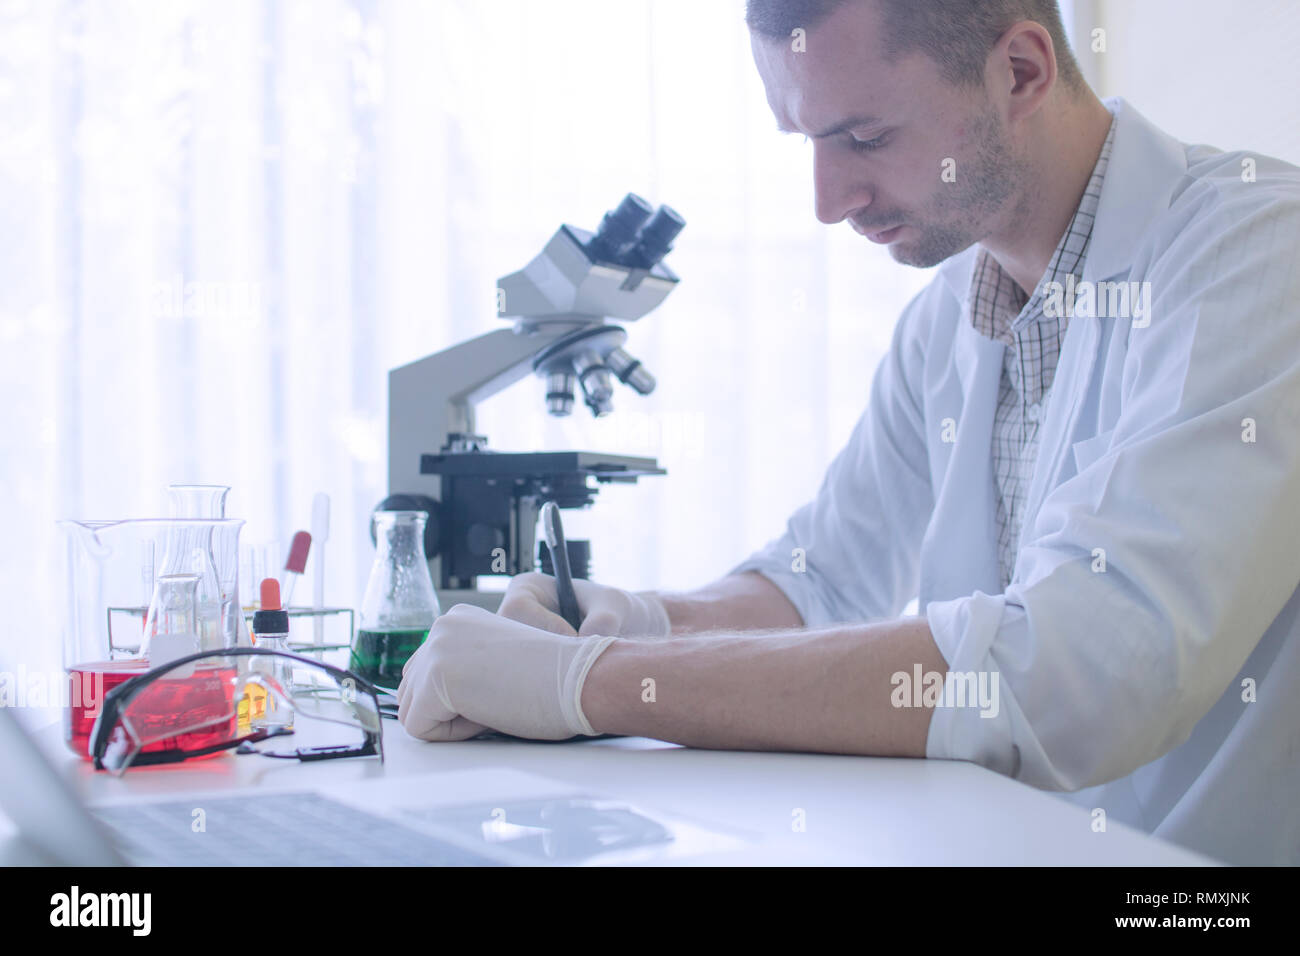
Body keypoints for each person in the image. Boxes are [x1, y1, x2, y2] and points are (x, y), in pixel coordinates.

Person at [396, 0, 1300, 866]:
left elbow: (1084, 671)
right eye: (808, 140)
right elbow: (823, 579)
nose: (830, 200)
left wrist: (594, 685)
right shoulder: (949, 318)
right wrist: (648, 620)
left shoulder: (1255, 256)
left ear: (1020, 72)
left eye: (865, 136)